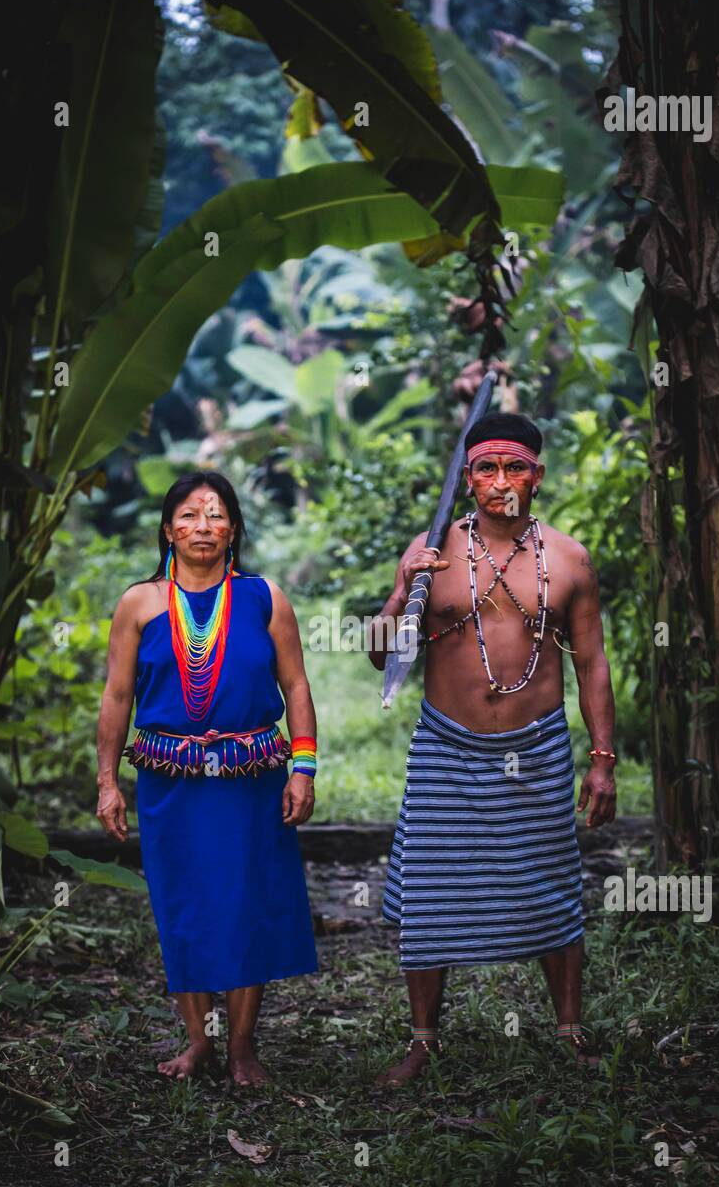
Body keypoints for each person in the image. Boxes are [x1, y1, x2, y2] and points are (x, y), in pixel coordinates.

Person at [369, 412, 617, 1082]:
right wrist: (400, 594)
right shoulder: (432, 549)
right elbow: (380, 658)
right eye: (486, 468)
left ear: (536, 477)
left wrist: (601, 760)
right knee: (428, 888)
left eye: (515, 468)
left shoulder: (568, 558)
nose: (501, 481)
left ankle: (569, 1029)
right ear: (470, 478)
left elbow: (592, 663)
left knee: (550, 886)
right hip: (447, 748)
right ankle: (423, 1039)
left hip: (536, 750)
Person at [95, 472, 319, 1086]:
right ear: (168, 529)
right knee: (185, 906)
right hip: (172, 785)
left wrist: (304, 767)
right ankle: (198, 1041)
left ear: (234, 530)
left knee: (247, 902)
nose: (203, 526)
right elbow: (117, 697)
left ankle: (243, 1047)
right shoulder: (139, 603)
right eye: (189, 515)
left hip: (252, 780)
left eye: (216, 515)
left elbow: (296, 685)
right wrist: (107, 781)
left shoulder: (264, 598)